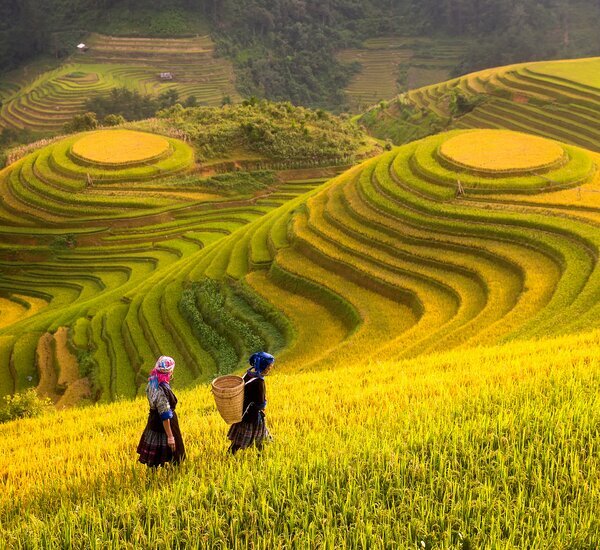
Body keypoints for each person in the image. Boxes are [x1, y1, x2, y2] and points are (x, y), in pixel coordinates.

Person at [137, 356, 186, 467]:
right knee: (175, 456)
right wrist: (170, 436)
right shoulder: (161, 389)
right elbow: (165, 415)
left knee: (154, 458)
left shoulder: (152, 382)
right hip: (164, 423)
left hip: (153, 421)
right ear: (170, 372)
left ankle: (154, 477)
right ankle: (172, 477)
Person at [228, 351, 275, 455]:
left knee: (241, 437)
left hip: (243, 411)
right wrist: (264, 406)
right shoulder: (259, 382)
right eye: (268, 367)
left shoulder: (248, 374)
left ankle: (260, 456)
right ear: (262, 366)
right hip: (253, 416)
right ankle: (259, 456)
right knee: (257, 437)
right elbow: (260, 403)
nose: (269, 369)